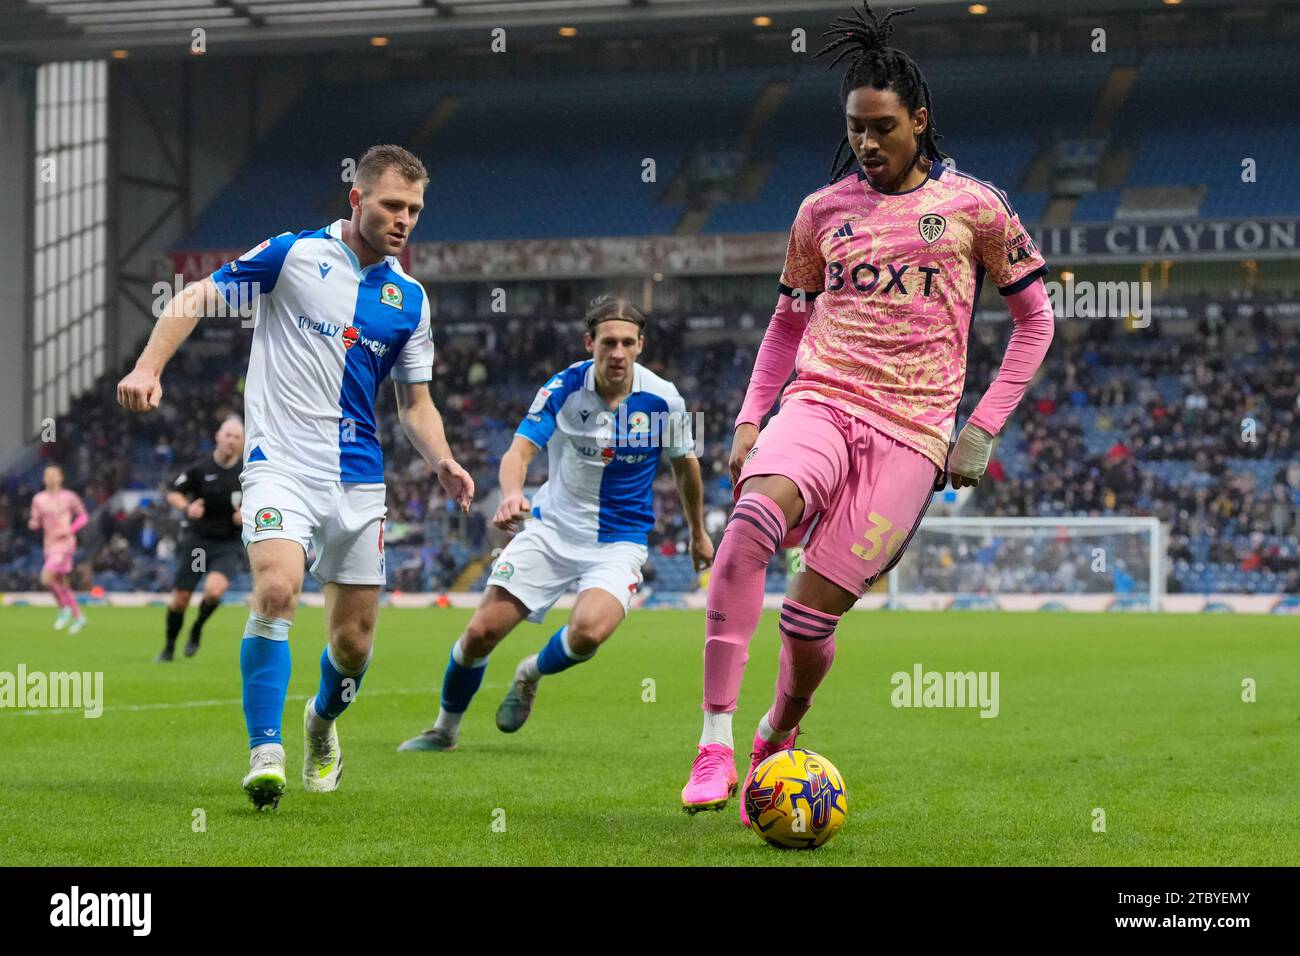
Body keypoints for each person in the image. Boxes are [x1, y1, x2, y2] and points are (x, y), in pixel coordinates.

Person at [679, 2, 1055, 820]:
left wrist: (982, 425)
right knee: (746, 529)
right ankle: (713, 742)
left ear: (919, 121)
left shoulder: (976, 208)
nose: (868, 143)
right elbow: (786, 322)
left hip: (914, 434)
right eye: (856, 129)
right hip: (819, 400)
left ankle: (776, 735)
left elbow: (1037, 319)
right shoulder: (820, 213)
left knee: (808, 624)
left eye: (883, 127)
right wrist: (750, 418)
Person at [117, 144, 475, 810]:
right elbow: (197, 295)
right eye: (393, 204)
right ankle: (265, 753)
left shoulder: (411, 300)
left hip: (359, 481)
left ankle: (319, 724)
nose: (404, 219)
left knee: (353, 646)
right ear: (357, 199)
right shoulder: (293, 255)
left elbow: (415, 405)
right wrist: (148, 367)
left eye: (415, 210)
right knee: (276, 591)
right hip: (279, 463)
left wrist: (444, 460)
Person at [398, 296, 713, 752]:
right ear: (590, 343)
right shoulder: (562, 388)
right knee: (480, 634)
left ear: (641, 345)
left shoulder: (666, 399)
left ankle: (531, 672)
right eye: (608, 342)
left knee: (587, 633)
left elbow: (686, 467)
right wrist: (511, 494)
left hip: (618, 541)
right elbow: (519, 451)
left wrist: (698, 531)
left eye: (628, 342)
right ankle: (444, 730)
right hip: (551, 530)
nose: (618, 352)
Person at [156, 416, 247, 661]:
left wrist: (247, 515)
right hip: (198, 542)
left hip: (227, 543)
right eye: (228, 435)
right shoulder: (200, 469)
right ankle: (169, 646)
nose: (232, 440)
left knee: (214, 592)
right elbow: (173, 494)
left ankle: (197, 628)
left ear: (243, 442)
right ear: (218, 437)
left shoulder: (247, 473)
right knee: (180, 600)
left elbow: (261, 503)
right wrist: (187, 508)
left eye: (237, 437)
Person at [28, 464, 88, 634]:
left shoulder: (69, 497)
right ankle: (79, 617)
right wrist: (33, 524)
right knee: (61, 582)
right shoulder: (38, 499)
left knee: (46, 578)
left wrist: (71, 529)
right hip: (49, 544)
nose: (51, 478)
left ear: (61, 477)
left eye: (54, 475)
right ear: (44, 478)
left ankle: (64, 609)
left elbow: (83, 516)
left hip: (65, 543)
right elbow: (35, 520)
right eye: (47, 475)